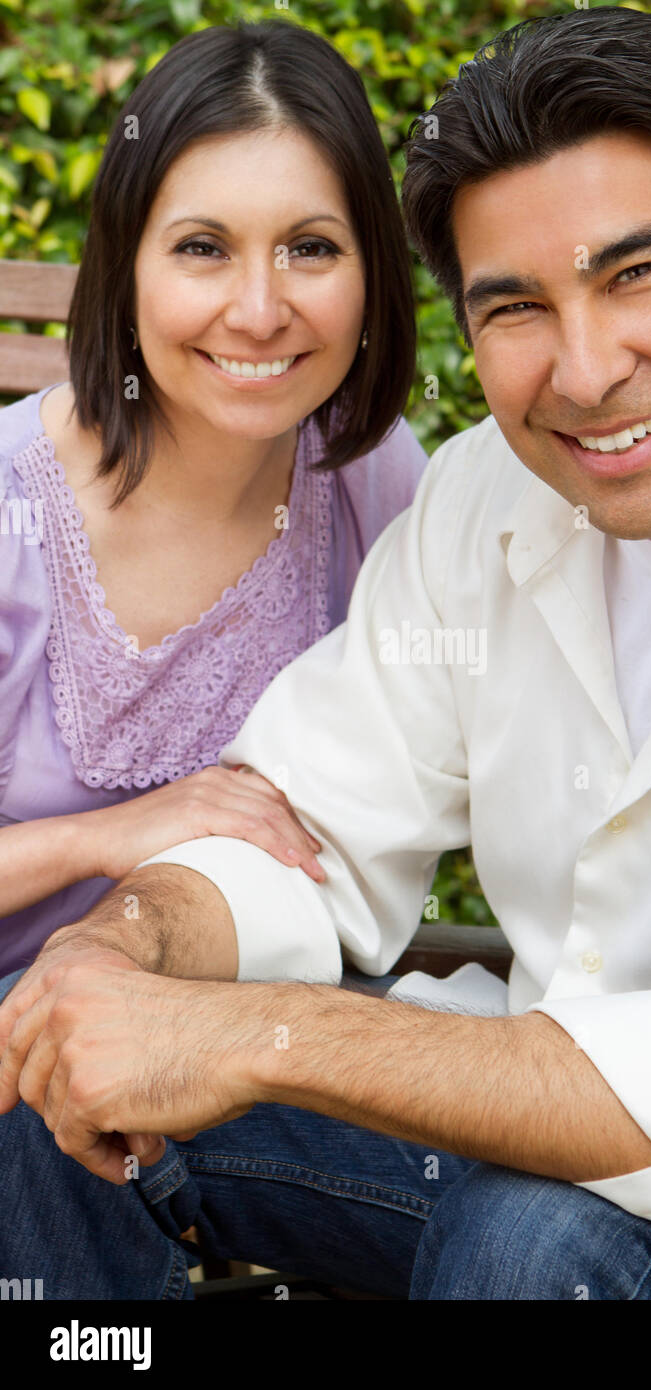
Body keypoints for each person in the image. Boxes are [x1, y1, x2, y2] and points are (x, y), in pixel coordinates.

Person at [1, 6, 651, 1301]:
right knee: (54, 1069)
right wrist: (119, 948)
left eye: (636, 274)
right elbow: (312, 830)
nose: (583, 372)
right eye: (515, 304)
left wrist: (269, 1034)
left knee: (530, 1242)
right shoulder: (483, 501)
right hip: (515, 1135)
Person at [0, 20, 427, 977]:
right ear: (127, 266)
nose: (260, 309)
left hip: (224, 1047)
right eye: (203, 247)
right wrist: (114, 834)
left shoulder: (377, 480)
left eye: (310, 248)